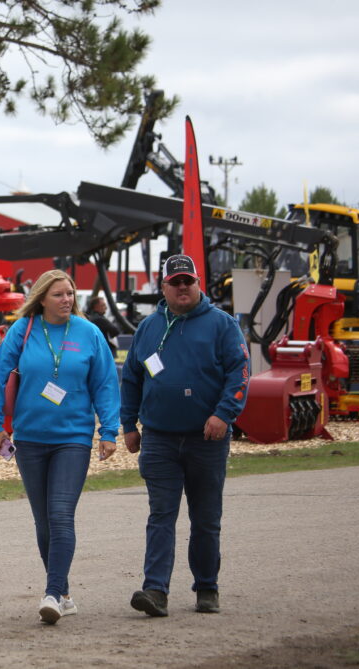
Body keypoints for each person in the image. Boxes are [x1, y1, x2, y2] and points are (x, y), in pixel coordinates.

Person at [0, 269, 121, 625]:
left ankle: (51, 593)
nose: (67, 300)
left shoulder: (89, 333)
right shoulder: (23, 330)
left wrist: (108, 430)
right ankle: (64, 592)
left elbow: (106, 383)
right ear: (42, 298)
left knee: (60, 513)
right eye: (59, 294)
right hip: (29, 439)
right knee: (43, 520)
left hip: (72, 439)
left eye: (70, 294)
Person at [120, 254, 249, 617]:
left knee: (205, 517)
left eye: (187, 281)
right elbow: (131, 377)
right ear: (163, 287)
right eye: (174, 282)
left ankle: (207, 586)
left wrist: (224, 414)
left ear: (198, 284)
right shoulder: (148, 328)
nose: (181, 287)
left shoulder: (222, 325)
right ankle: (155, 590)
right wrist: (129, 424)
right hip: (159, 438)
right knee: (161, 514)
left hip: (206, 439)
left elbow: (239, 373)